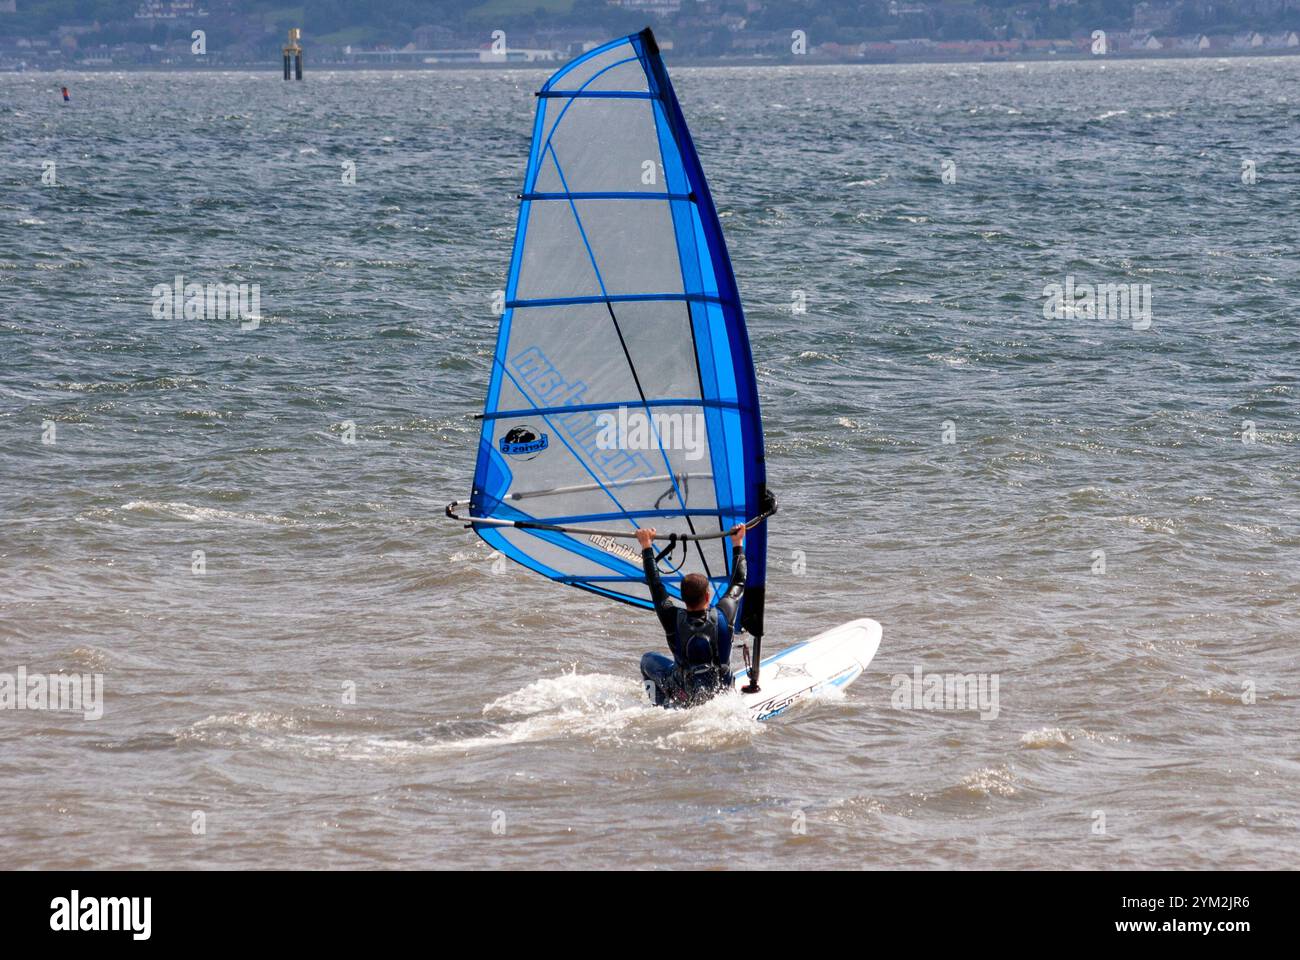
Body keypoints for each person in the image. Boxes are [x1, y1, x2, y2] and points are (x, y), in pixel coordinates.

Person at [636, 524, 746, 707]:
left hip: (683, 692)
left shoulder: (672, 617)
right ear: (708, 596)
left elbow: (655, 585)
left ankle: (661, 706)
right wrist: (737, 542)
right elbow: (739, 581)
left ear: (682, 597)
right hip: (722, 692)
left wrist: (647, 545)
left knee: (646, 661)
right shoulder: (724, 613)